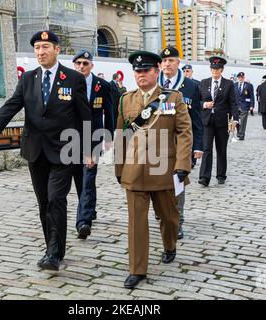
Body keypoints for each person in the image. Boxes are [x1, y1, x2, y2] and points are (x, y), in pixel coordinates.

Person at [0, 30, 92, 271]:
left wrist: (88, 149)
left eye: (45, 47)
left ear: (57, 49)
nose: (40, 52)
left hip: (65, 149)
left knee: (56, 199)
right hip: (35, 150)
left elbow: (85, 116)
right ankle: (52, 246)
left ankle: (54, 254)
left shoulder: (73, 78)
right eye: (37, 48)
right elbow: (13, 104)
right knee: (44, 202)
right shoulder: (29, 78)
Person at [114, 50, 193, 289]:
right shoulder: (126, 99)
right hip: (135, 171)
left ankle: (170, 245)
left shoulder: (173, 98)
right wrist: (120, 168)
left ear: (157, 71)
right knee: (136, 223)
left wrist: (182, 166)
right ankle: (137, 270)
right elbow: (122, 135)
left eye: (146, 70)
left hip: (164, 170)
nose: (141, 75)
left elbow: (184, 133)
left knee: (169, 218)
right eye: (137, 71)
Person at [159, 46, 203, 240]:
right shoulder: (154, 83)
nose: (167, 64)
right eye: (164, 61)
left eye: (171, 61)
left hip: (180, 144)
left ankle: (178, 222)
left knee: (178, 184)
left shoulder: (191, 86)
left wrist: (198, 147)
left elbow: (197, 120)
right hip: (157, 143)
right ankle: (162, 217)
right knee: (158, 183)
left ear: (178, 62)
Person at [72, 49, 114, 239]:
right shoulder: (68, 82)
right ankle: (89, 208)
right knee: (79, 179)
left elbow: (109, 112)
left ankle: (83, 221)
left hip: (94, 136)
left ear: (92, 66)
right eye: (79, 63)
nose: (82, 66)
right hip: (71, 137)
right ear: (75, 65)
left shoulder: (103, 86)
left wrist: (109, 137)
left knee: (88, 176)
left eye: (85, 63)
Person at [198, 56, 239, 187]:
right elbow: (197, 101)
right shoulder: (203, 83)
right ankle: (204, 177)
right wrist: (205, 104)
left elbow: (233, 103)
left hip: (222, 122)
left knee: (221, 149)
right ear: (210, 69)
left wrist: (235, 119)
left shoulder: (228, 84)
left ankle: (221, 175)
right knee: (207, 149)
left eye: (218, 69)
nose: (215, 71)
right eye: (213, 69)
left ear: (222, 70)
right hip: (207, 121)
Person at [234, 72, 255, 141]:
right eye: (239, 77)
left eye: (242, 77)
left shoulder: (248, 85)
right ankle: (238, 131)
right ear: (237, 78)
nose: (240, 78)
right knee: (236, 120)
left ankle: (242, 134)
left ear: (244, 78)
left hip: (245, 105)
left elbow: (252, 96)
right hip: (236, 106)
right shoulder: (234, 85)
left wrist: (252, 105)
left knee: (243, 120)